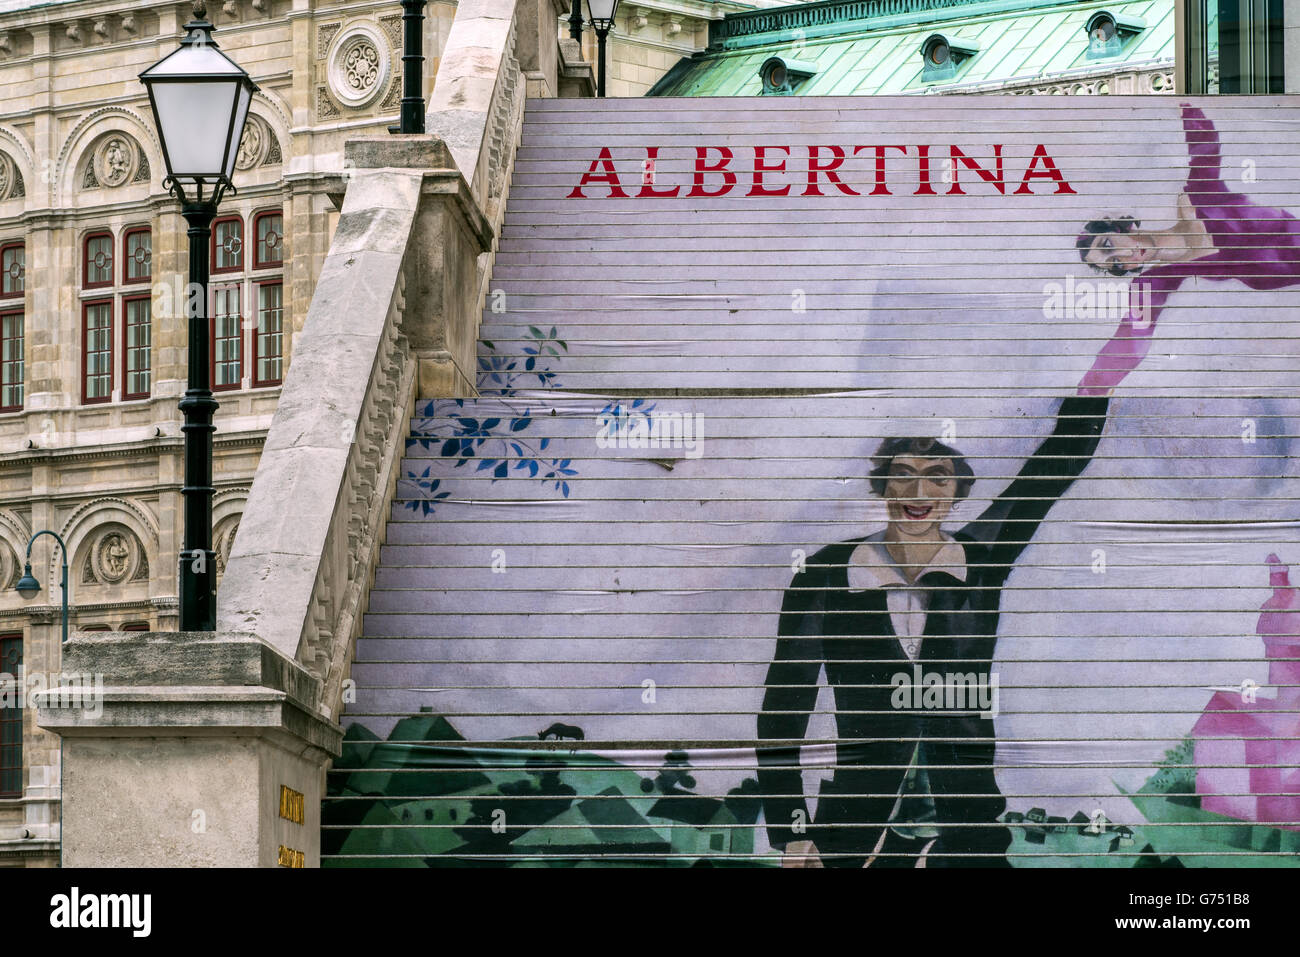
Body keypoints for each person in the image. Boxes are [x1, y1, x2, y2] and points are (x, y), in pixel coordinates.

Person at [1077, 103, 1300, 395]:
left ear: (1118, 228)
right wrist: (1089, 394)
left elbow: (1205, 145)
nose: (1122, 257)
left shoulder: (1197, 197)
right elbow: (1129, 341)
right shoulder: (1153, 282)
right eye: (1115, 265)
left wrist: (1185, 106)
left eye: (1107, 246)